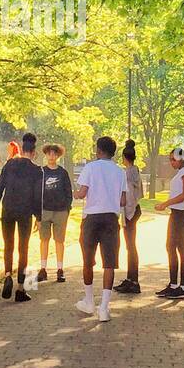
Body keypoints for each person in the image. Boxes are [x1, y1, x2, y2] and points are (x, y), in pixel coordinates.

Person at [73, 135, 127, 322]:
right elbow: (123, 200)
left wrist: (74, 193)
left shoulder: (90, 167)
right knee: (109, 263)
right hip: (111, 218)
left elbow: (81, 193)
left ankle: (89, 301)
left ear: (99, 150)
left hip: (92, 218)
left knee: (88, 260)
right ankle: (103, 307)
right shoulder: (120, 172)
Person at [0, 132, 42, 302]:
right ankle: (21, 288)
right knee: (23, 247)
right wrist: (39, 217)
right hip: (25, 211)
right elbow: (37, 196)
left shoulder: (9, 165)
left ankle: (7, 276)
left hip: (8, 208)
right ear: (34, 153)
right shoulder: (36, 171)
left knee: (8, 245)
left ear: (22, 148)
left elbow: (0, 188)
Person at [154, 149, 184, 299]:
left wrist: (165, 203)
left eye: (173, 159)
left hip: (182, 213)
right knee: (171, 246)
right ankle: (173, 285)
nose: (171, 162)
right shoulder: (182, 171)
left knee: (181, 248)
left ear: (181, 159)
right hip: (176, 212)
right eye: (170, 159)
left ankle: (183, 287)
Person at [35, 143, 72, 283]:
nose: (51, 156)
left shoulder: (63, 173)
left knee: (59, 241)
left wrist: (67, 208)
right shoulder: (41, 172)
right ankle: (43, 269)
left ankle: (60, 269)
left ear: (58, 156)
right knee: (44, 239)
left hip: (60, 211)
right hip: (44, 210)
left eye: (54, 154)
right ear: (45, 155)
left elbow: (68, 192)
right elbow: (36, 192)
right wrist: (37, 212)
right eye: (49, 153)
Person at [116, 139, 143, 294]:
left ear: (124, 158)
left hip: (130, 212)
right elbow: (138, 194)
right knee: (130, 247)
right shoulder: (135, 170)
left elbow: (129, 197)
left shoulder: (126, 174)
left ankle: (134, 282)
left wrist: (127, 215)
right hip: (134, 210)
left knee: (131, 247)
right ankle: (131, 278)